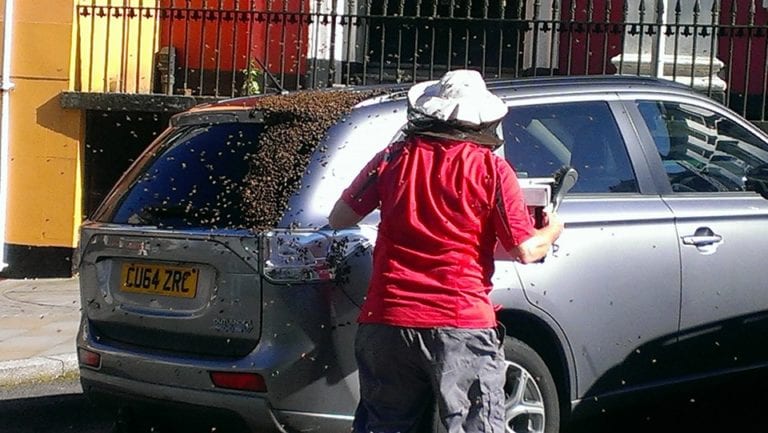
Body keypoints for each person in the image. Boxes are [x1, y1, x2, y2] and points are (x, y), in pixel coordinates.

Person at [328, 69, 564, 433]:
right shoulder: (491, 168)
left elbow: (340, 217)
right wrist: (552, 229)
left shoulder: (391, 158)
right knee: (476, 425)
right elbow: (526, 250)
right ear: (484, 121)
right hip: (460, 321)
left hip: (387, 320)